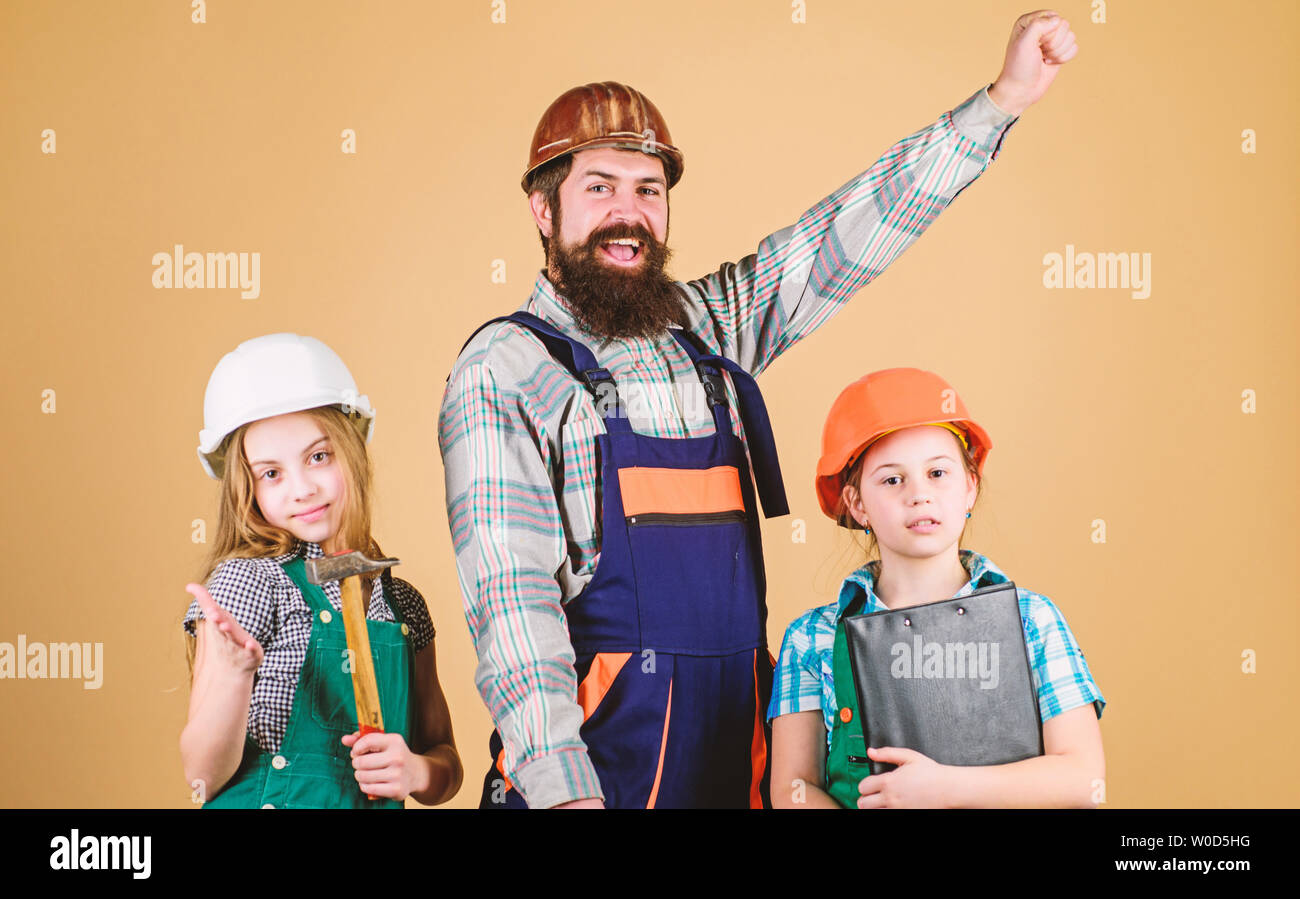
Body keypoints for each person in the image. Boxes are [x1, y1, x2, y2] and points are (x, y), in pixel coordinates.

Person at [439, 11, 1079, 809]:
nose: (627, 212)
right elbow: (510, 603)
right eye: (598, 188)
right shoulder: (506, 367)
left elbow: (844, 234)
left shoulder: (711, 332)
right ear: (544, 209)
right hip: (594, 780)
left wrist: (1003, 100)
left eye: (648, 190)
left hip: (735, 765)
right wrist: (565, 792)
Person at [768, 367, 1105, 808]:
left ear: (970, 487)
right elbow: (792, 788)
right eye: (892, 479)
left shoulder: (1032, 621)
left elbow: (1084, 780)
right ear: (857, 504)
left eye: (938, 473)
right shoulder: (811, 638)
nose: (918, 495)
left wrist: (943, 787)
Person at [180, 333, 462, 808]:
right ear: (246, 489)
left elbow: (447, 765)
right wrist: (231, 677)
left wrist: (414, 770)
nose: (302, 488)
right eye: (271, 473)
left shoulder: (402, 604)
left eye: (318, 456)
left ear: (352, 450)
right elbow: (201, 777)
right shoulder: (248, 582)